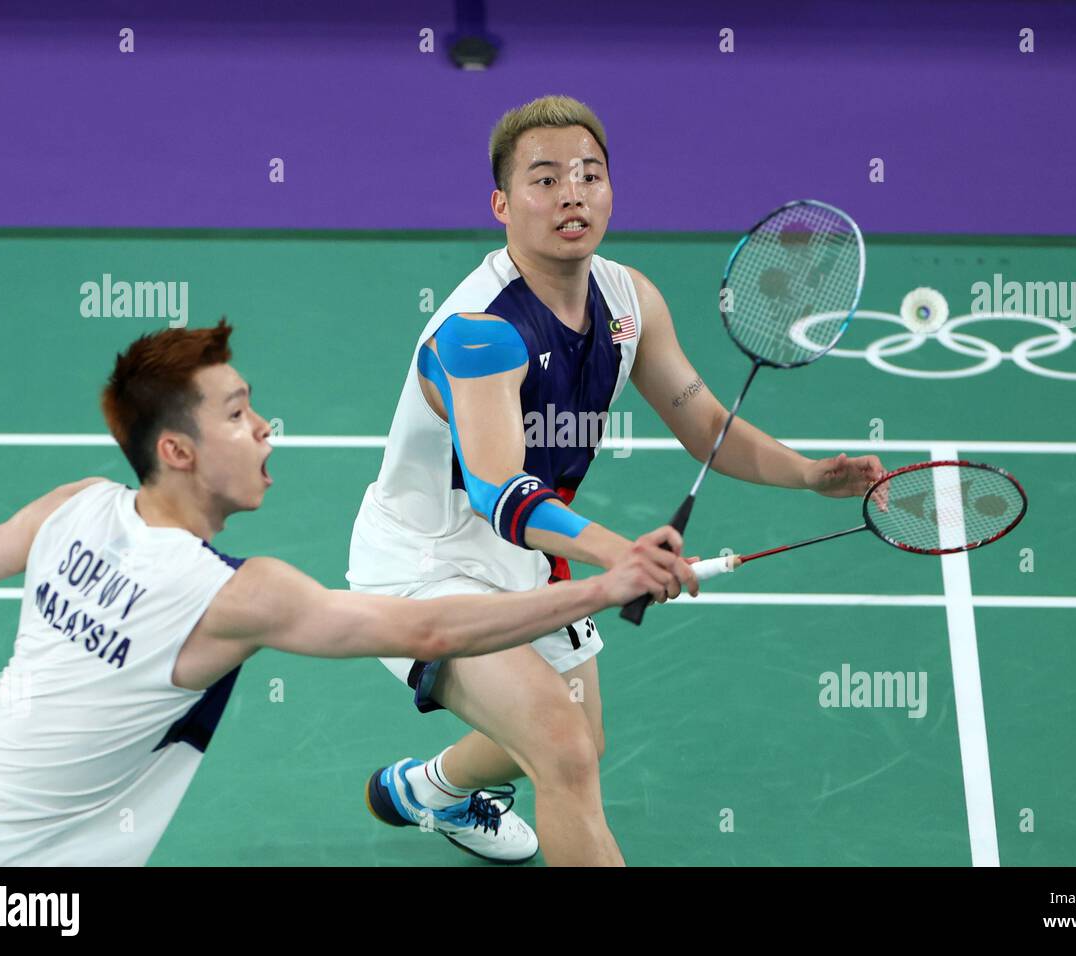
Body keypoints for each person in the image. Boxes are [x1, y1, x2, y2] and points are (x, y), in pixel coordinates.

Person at [0, 320, 696, 866]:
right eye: (236, 415)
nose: (266, 428)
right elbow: (432, 632)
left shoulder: (75, 504)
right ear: (176, 451)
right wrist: (607, 583)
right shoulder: (231, 595)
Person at [348, 94, 884, 866]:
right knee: (562, 747)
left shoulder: (630, 302)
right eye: (544, 179)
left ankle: (428, 791)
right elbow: (501, 492)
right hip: (425, 563)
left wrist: (807, 474)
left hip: (529, 552)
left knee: (582, 740)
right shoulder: (481, 333)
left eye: (589, 175)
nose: (572, 193)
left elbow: (704, 424)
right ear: (501, 204)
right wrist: (615, 556)